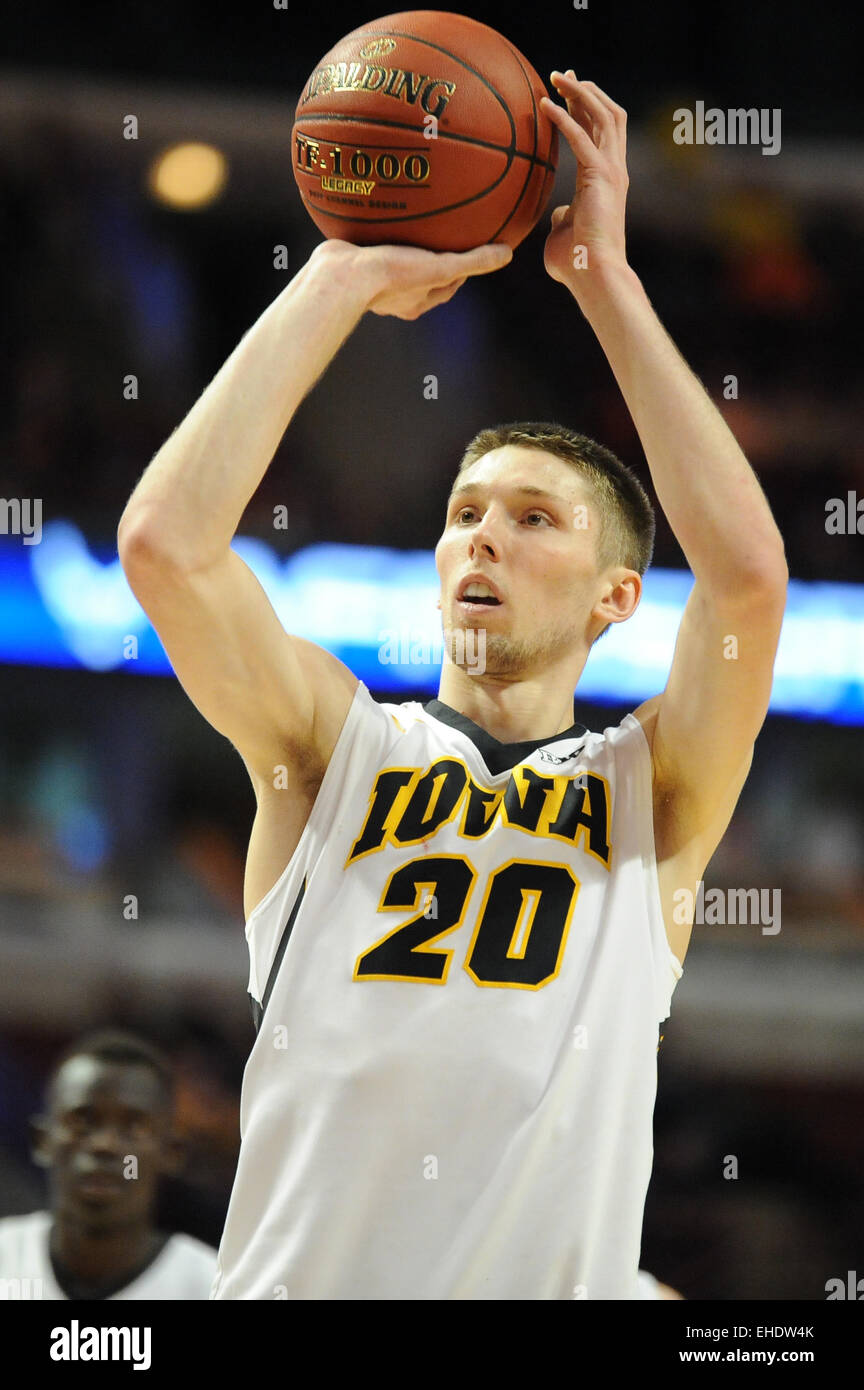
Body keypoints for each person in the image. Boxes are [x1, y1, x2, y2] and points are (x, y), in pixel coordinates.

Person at [117, 72, 787, 1299]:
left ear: (617, 596)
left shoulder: (653, 793)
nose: (483, 537)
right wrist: (339, 275)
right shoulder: (334, 749)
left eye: (534, 518)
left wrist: (606, 282)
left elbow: (747, 580)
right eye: (466, 513)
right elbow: (165, 544)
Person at [0, 1030, 216, 1299]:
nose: (105, 1145)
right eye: (82, 1121)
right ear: (42, 1141)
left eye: (134, 1127)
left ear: (171, 1153)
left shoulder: (210, 1287)